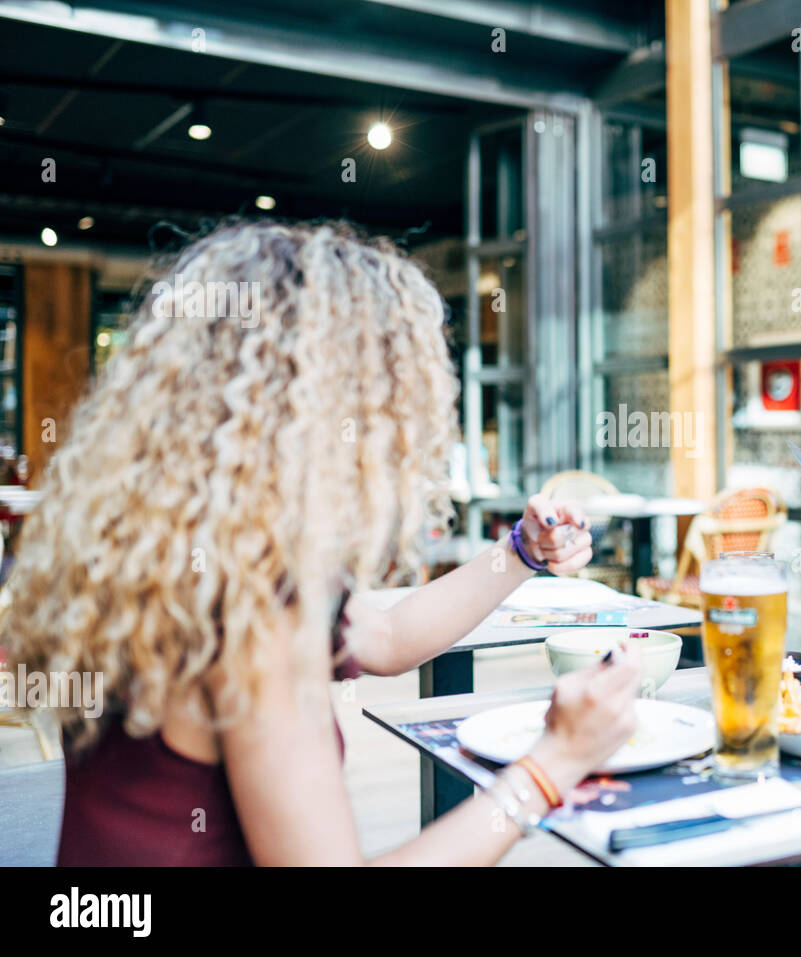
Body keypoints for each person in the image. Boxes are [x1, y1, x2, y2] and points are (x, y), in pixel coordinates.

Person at [4, 220, 641, 866]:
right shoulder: (256, 607)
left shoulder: (157, 545)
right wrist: (550, 764)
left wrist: (522, 551)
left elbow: (387, 636)